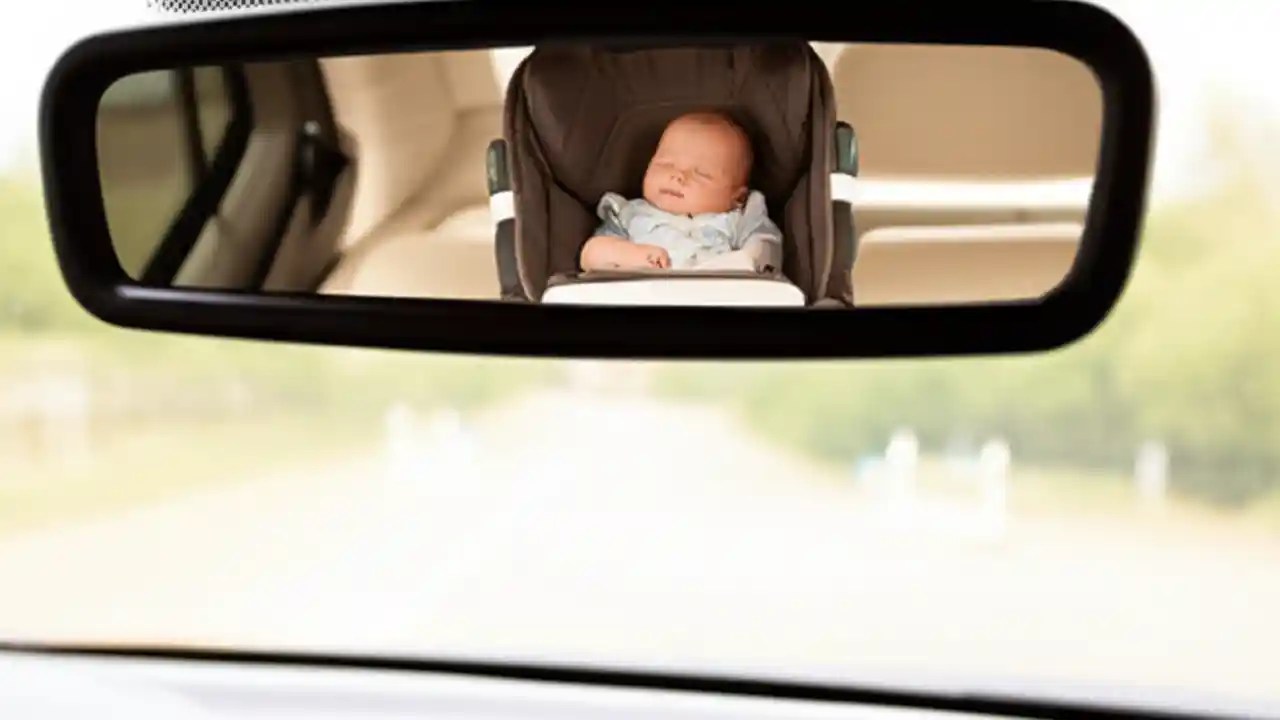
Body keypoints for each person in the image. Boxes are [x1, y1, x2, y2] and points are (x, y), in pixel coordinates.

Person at [578, 111, 783, 272]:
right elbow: (591, 255)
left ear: (737, 198)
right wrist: (632, 255)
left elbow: (766, 248)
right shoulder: (628, 214)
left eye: (701, 173)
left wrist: (744, 264)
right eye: (665, 164)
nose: (677, 176)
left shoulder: (737, 220)